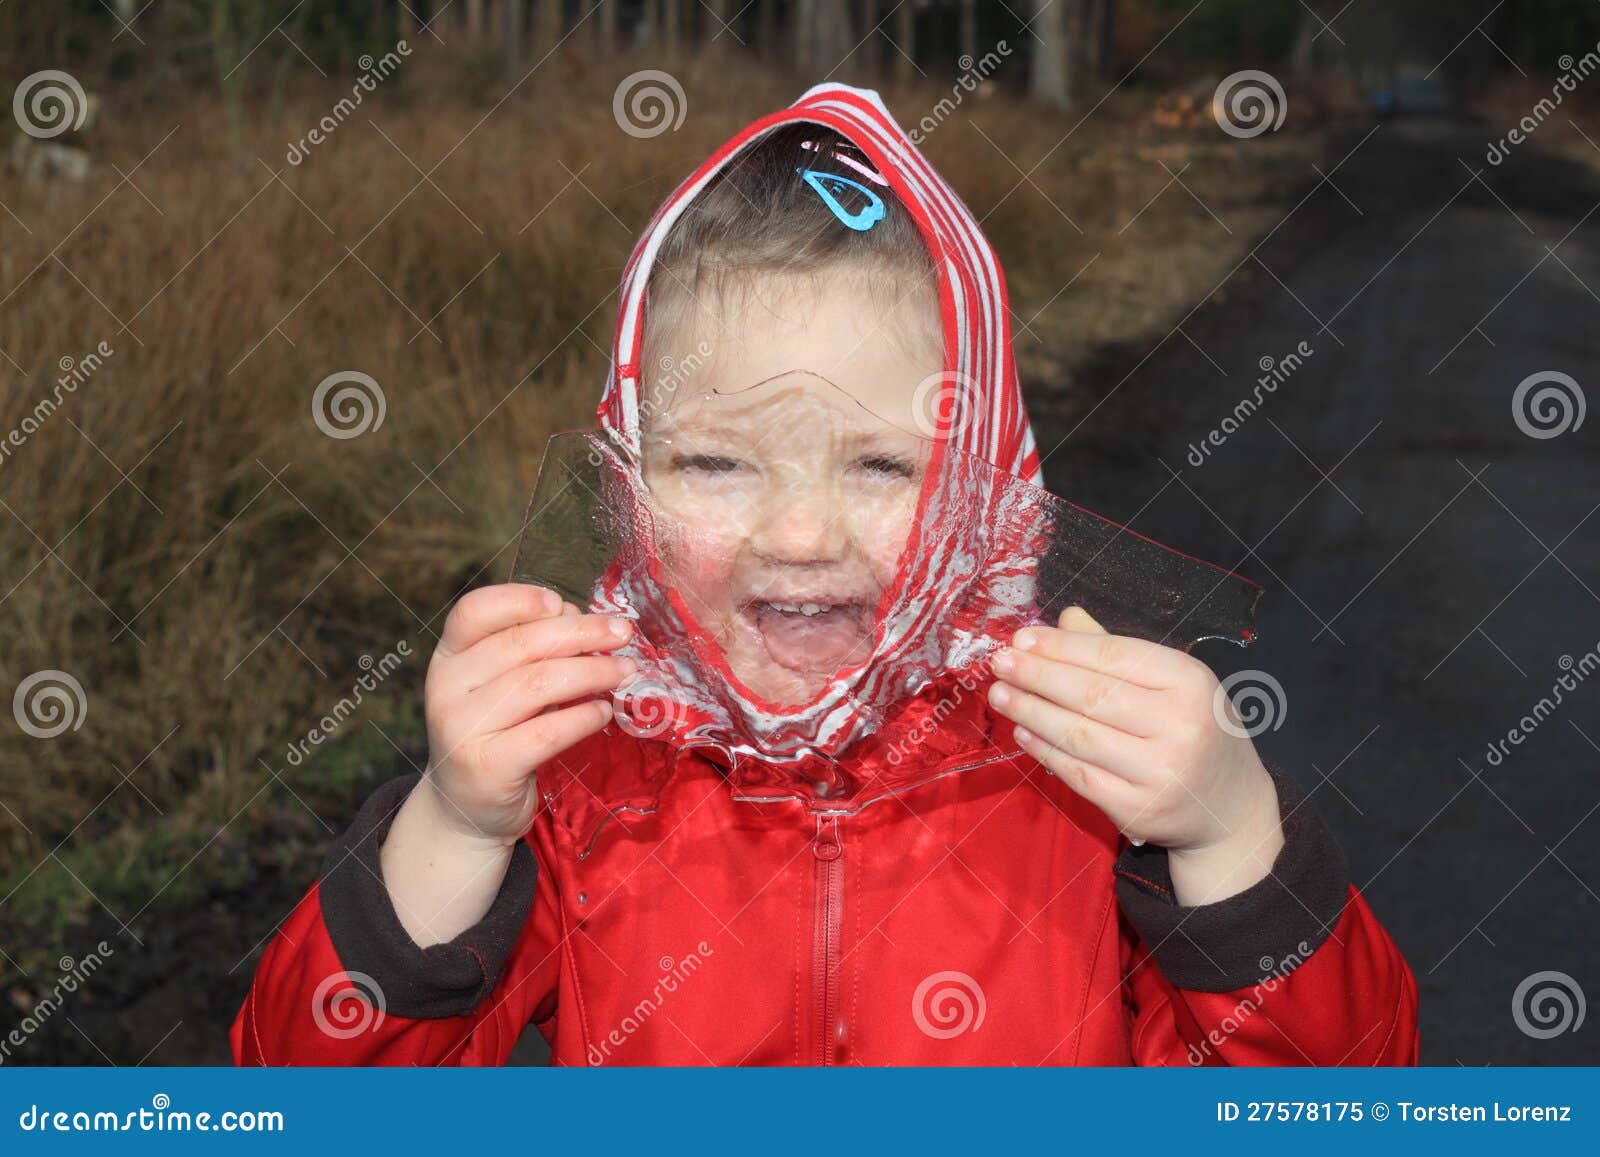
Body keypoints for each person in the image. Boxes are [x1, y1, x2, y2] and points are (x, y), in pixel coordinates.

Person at [232, 84, 1418, 1066]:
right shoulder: (590, 776)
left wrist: (1227, 843)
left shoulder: (1080, 774)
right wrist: (453, 825)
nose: (799, 535)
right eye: (715, 462)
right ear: (627, 474)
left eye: (878, 464)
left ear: (985, 480)